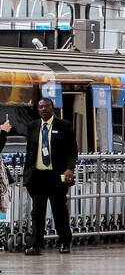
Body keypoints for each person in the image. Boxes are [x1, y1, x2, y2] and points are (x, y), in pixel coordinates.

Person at [0, 97, 78, 255]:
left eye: (46, 107)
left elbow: (72, 150)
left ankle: (64, 242)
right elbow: (30, 152)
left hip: (57, 176)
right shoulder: (32, 126)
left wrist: (70, 168)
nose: (44, 109)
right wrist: (27, 175)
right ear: (38, 109)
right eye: (41, 107)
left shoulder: (64, 126)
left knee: (59, 211)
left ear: (52, 108)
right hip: (37, 177)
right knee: (37, 212)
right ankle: (35, 245)